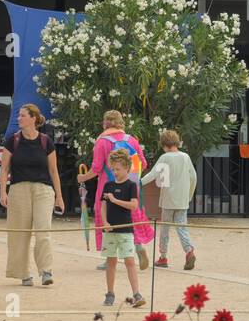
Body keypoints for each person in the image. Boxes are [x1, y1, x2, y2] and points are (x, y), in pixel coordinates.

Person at [77, 110, 154, 270]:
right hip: (130, 187)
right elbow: (144, 164)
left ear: (105, 123)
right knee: (129, 218)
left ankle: (109, 258)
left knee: (108, 220)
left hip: (108, 188)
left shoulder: (102, 142)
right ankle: (138, 246)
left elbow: (96, 168)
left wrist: (82, 178)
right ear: (120, 123)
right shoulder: (131, 140)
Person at [0, 104, 64, 287]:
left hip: (43, 190)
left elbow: (54, 171)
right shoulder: (13, 141)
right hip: (19, 189)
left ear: (33, 119)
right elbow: (4, 169)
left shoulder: (46, 141)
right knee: (19, 233)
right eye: (19, 115)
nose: (18, 118)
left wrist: (59, 196)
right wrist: (3, 191)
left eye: (22, 115)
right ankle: (23, 273)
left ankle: (46, 270)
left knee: (43, 230)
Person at [141, 129, 198, 269]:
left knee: (165, 228)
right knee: (181, 226)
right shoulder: (185, 157)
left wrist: (137, 183)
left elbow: (153, 175)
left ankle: (163, 257)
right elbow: (193, 177)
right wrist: (189, 195)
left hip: (168, 199)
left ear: (164, 144)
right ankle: (189, 251)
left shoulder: (165, 158)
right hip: (182, 199)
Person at [100, 148, 146, 307]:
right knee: (110, 261)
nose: (115, 172)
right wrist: (105, 222)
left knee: (130, 261)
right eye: (113, 169)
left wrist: (115, 200)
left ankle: (137, 294)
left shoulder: (131, 185)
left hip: (126, 230)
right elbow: (103, 206)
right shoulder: (108, 185)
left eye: (118, 169)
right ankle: (110, 293)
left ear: (127, 168)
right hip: (110, 231)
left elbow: (134, 205)